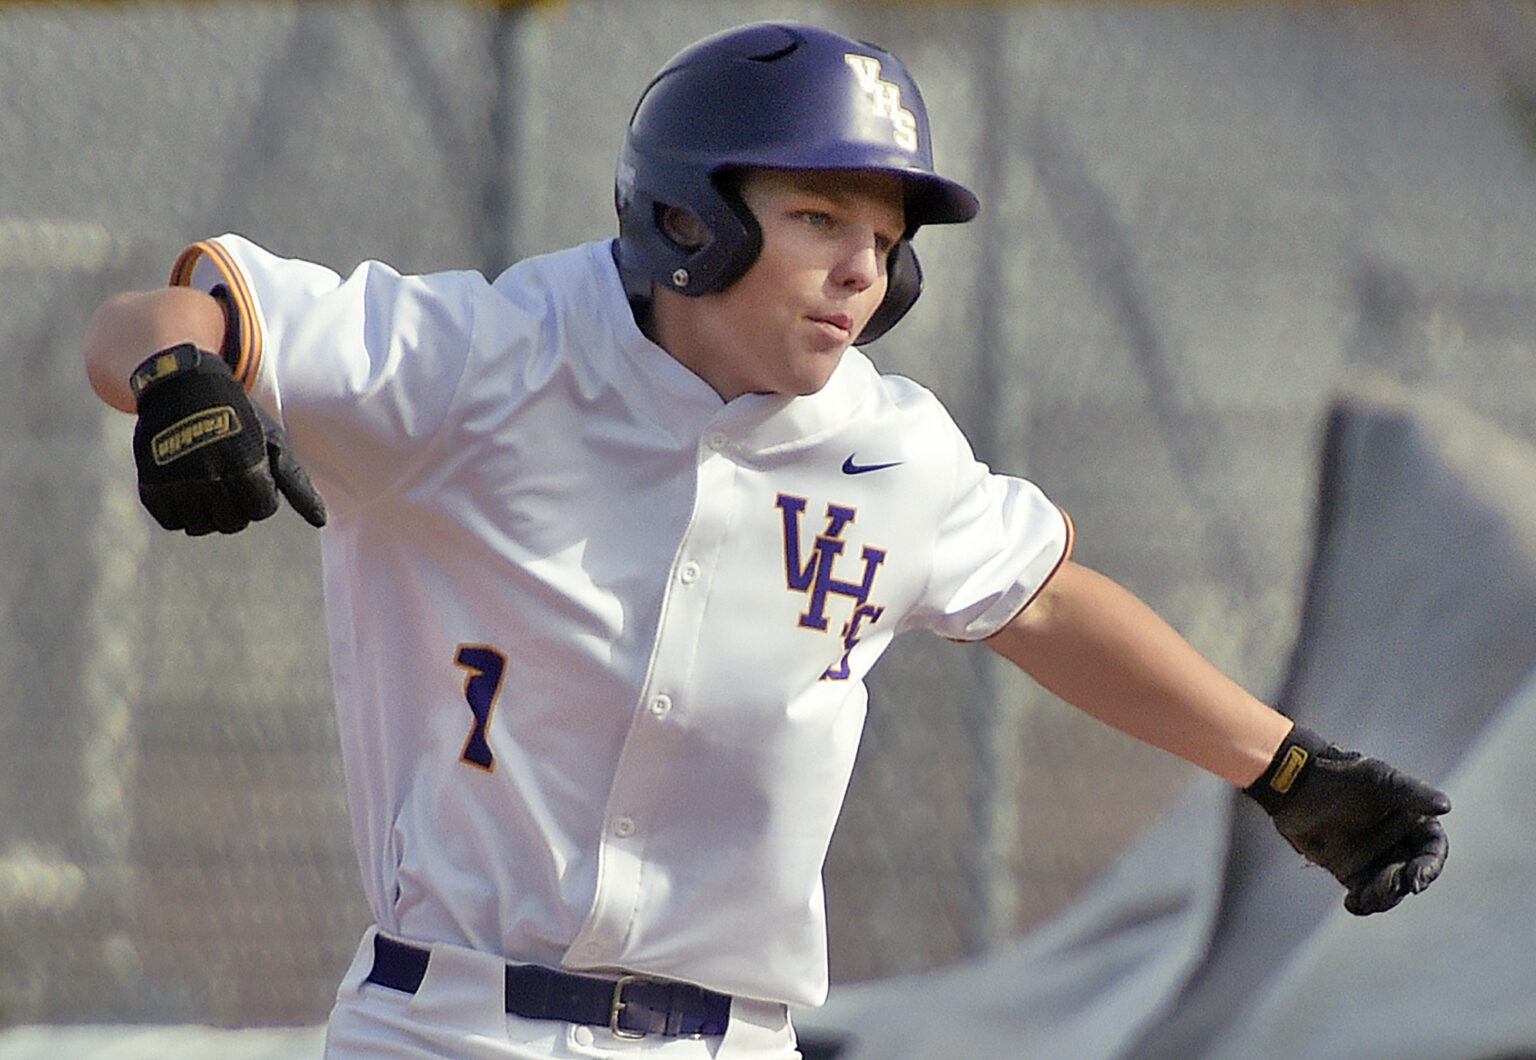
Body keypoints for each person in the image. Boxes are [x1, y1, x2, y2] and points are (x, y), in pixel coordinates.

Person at [82, 21, 1450, 1060]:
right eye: (818, 219)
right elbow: (165, 312)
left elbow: (1040, 602)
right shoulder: (483, 360)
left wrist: (1283, 766)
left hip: (732, 1041)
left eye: (885, 238)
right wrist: (177, 380)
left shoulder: (894, 449)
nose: (863, 268)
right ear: (687, 219)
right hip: (447, 1028)